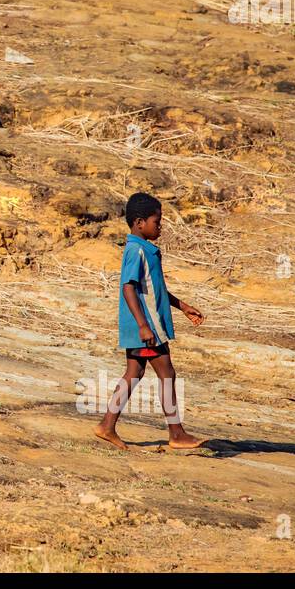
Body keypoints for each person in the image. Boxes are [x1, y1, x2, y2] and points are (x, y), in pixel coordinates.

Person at [94, 192, 207, 450]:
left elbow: (155, 289)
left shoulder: (145, 249)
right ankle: (176, 434)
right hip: (147, 326)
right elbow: (128, 288)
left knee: (135, 372)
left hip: (146, 324)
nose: (160, 226)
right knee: (167, 373)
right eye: (157, 221)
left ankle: (107, 426)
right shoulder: (136, 250)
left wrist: (182, 306)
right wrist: (144, 325)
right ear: (139, 222)